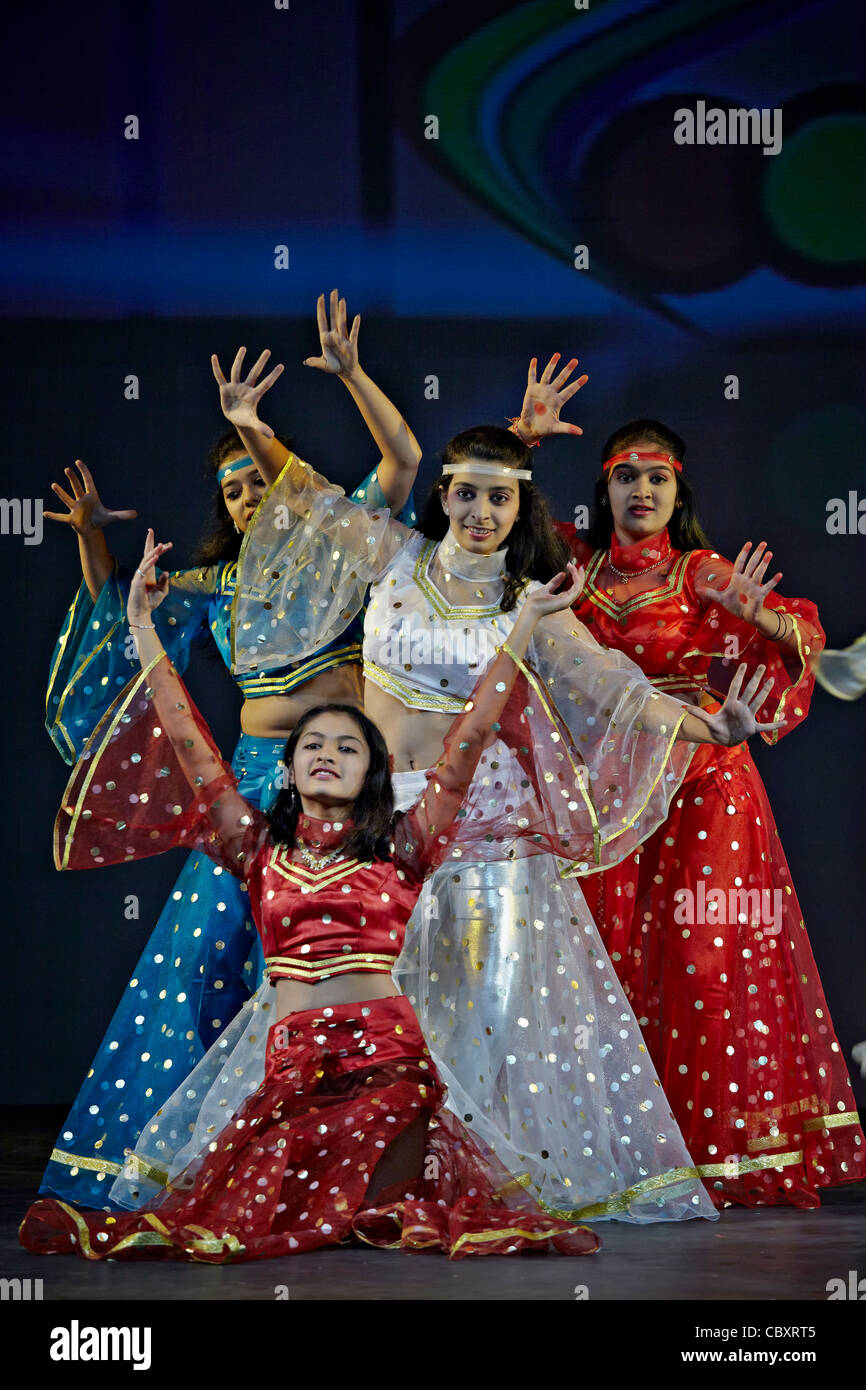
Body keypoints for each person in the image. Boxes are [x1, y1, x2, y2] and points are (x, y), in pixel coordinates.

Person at [170, 351, 785, 1226]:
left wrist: (711, 729)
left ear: (520, 505)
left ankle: (472, 1178)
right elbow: (307, 504)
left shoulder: (530, 603)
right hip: (378, 825)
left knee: (488, 1013)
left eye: (502, 498)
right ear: (447, 495)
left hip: (488, 829)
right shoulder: (393, 555)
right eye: (469, 494)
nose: (484, 512)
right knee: (376, 1002)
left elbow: (620, 690)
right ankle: (357, 1169)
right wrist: (253, 429)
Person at [21, 532, 603, 1261]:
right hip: (295, 1071)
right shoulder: (258, 849)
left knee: (378, 1224)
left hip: (389, 1070)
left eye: (348, 747)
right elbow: (189, 742)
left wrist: (522, 624)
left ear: (372, 775)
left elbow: (471, 734)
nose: (327, 752)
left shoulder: (404, 844)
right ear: (291, 772)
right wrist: (141, 626)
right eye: (312, 746)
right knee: (238, 1225)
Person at [38, 292, 420, 1209]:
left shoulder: (339, 546)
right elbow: (118, 627)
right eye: (235, 490)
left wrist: (330, 389)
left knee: (319, 962)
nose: (250, 496)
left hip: (337, 793)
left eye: (258, 477)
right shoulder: (216, 585)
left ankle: (336, 1160)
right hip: (251, 786)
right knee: (202, 956)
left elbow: (402, 462)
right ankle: (180, 1158)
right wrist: (93, 541)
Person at [509, 362, 864, 1207]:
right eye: (625, 476)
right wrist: (521, 437)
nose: (641, 490)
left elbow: (801, 646)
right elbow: (491, 524)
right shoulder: (574, 570)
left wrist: (760, 617)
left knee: (703, 965)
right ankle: (622, 1161)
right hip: (601, 791)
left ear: (677, 492)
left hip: (707, 784)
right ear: (604, 487)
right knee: (602, 966)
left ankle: (716, 1158)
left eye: (657, 478)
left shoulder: (703, 572)